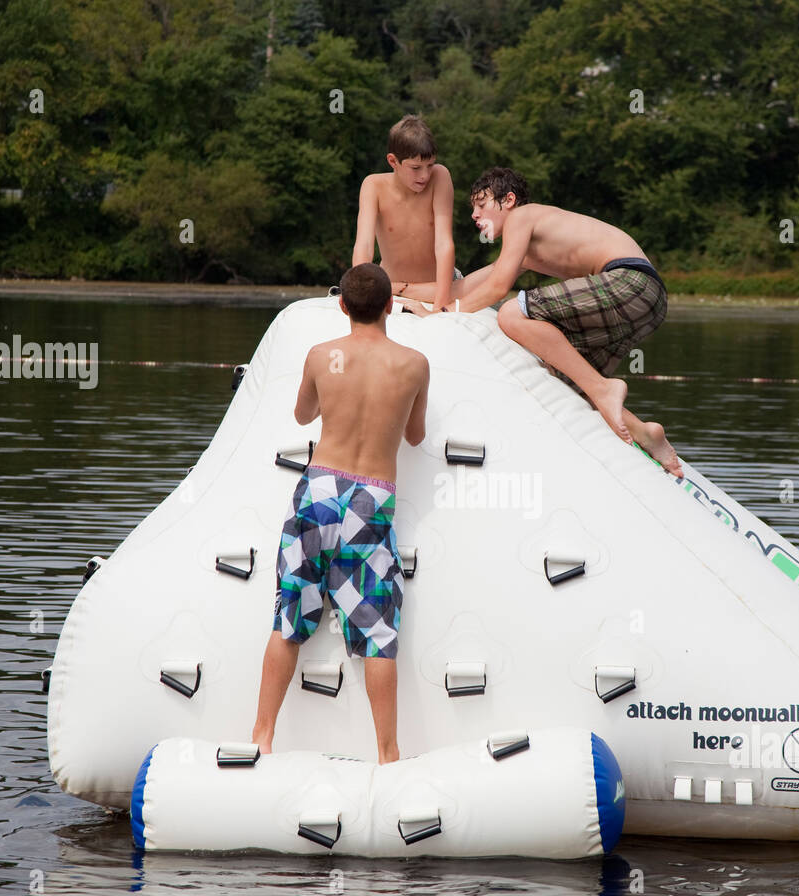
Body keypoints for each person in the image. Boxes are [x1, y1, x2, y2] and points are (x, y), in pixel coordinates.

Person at [251, 263, 429, 764]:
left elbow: (303, 414)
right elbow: (415, 435)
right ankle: (387, 755)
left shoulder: (320, 355)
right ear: (391, 304)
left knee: (290, 615)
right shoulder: (414, 363)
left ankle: (262, 737)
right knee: (377, 630)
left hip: (319, 488)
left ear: (343, 306)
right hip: (372, 497)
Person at [397, 167, 681, 477]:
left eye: (481, 205)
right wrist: (397, 288)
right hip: (645, 304)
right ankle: (645, 433)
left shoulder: (523, 216)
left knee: (512, 313)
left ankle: (606, 389)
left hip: (630, 282)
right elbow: (460, 289)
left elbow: (497, 289)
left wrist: (440, 316)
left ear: (508, 200)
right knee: (567, 380)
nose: (475, 216)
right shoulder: (525, 248)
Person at [352, 115, 457, 313]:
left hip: (435, 287)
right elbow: (364, 246)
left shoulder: (440, 176)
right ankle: (398, 289)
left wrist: (439, 309)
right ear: (393, 161)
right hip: (391, 286)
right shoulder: (373, 185)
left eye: (430, 165)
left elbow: (444, 244)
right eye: (416, 168)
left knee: (480, 282)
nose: (425, 175)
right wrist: (361, 297)